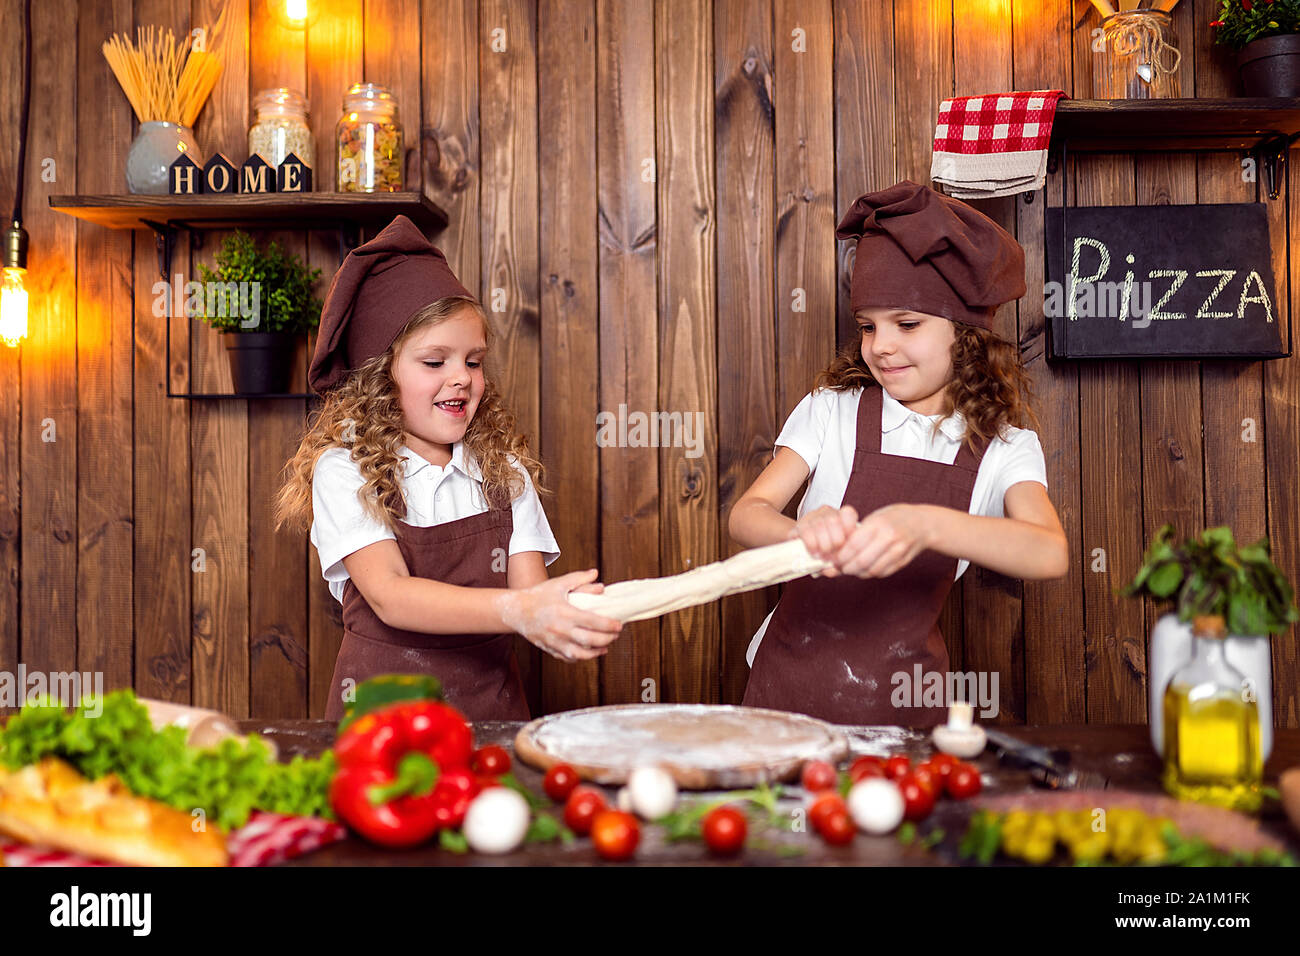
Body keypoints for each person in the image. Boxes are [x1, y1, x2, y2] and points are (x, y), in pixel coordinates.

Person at [733, 180, 1069, 726]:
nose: (880, 346)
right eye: (868, 326)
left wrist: (926, 525)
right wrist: (801, 535)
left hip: (906, 706)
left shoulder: (1003, 449)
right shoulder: (832, 411)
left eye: (906, 324)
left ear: (966, 336)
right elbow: (746, 515)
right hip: (786, 689)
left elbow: (1048, 552)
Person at [275, 215, 623, 721]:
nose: (461, 377)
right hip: (383, 729)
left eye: (474, 361)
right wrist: (523, 612)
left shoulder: (503, 472)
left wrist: (567, 614)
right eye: (435, 362)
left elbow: (527, 595)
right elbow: (392, 596)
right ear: (379, 376)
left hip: (493, 718)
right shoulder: (345, 469)